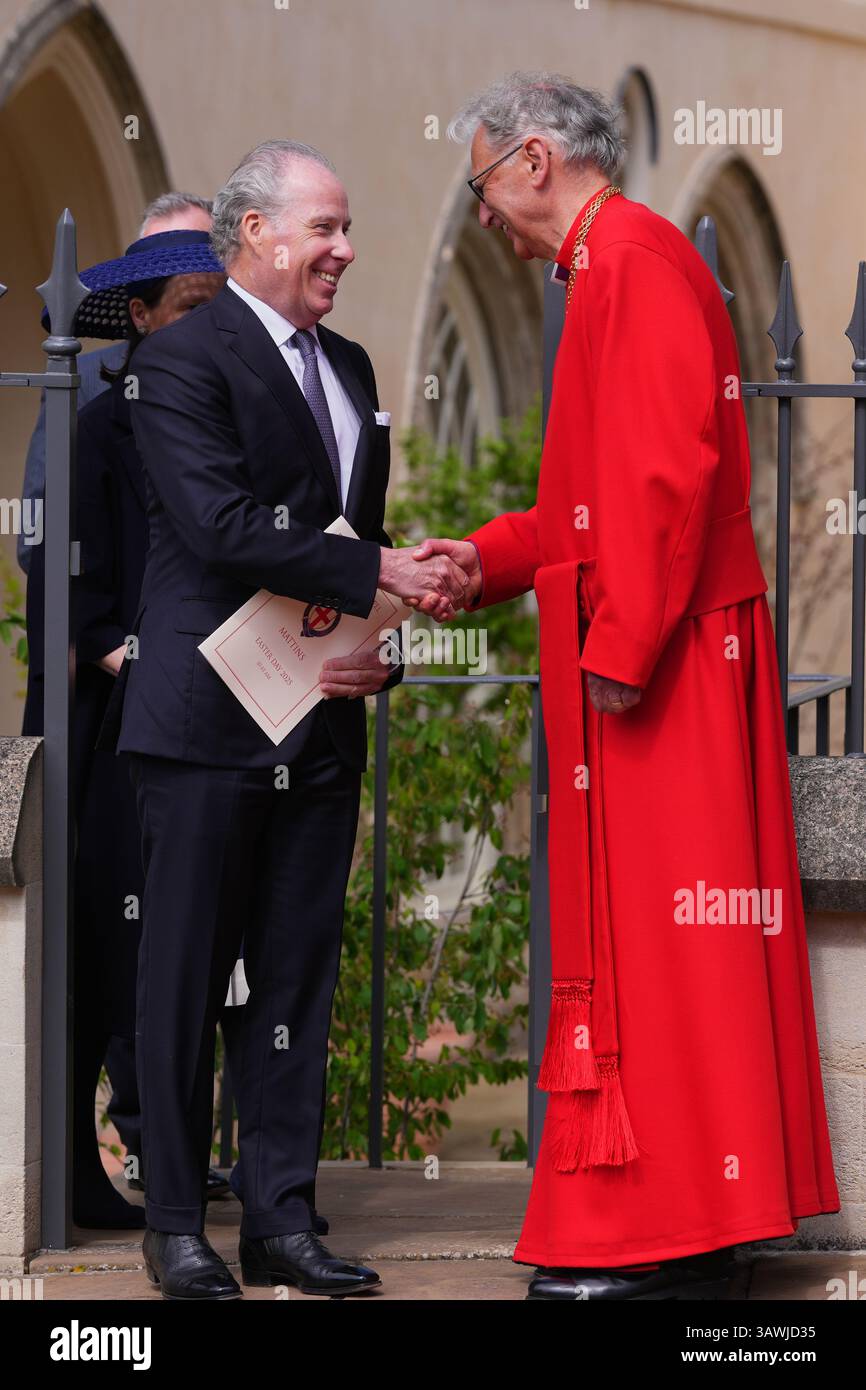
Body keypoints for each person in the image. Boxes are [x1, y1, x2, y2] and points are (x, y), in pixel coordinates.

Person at [413, 71, 841, 1300]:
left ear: (534, 161)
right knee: (652, 949)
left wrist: (620, 647)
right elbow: (583, 503)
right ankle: (679, 1220)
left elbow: (665, 473)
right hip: (652, 648)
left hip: (665, 662)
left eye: (483, 185)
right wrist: (484, 561)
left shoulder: (634, 260)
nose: (482, 214)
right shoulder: (608, 263)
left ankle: (681, 1230)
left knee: (671, 950)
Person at [96, 138, 470, 1300]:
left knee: (293, 981)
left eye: (346, 228)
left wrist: (382, 648)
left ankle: (281, 1223)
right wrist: (383, 576)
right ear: (253, 232)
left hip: (316, 723)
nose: (345, 249)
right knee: (184, 978)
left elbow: (352, 536)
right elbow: (218, 525)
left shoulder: (349, 365)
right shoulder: (180, 357)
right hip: (202, 725)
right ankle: (175, 1226)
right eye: (325, 228)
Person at [24, 226, 226, 1229]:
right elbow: (72, 600)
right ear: (140, 319)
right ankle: (77, 1172)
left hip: (213, 715)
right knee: (104, 947)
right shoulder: (96, 428)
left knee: (196, 952)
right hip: (113, 727)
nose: (209, 328)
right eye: (190, 309)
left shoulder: (226, 420)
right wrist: (148, 663)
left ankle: (182, 1169)